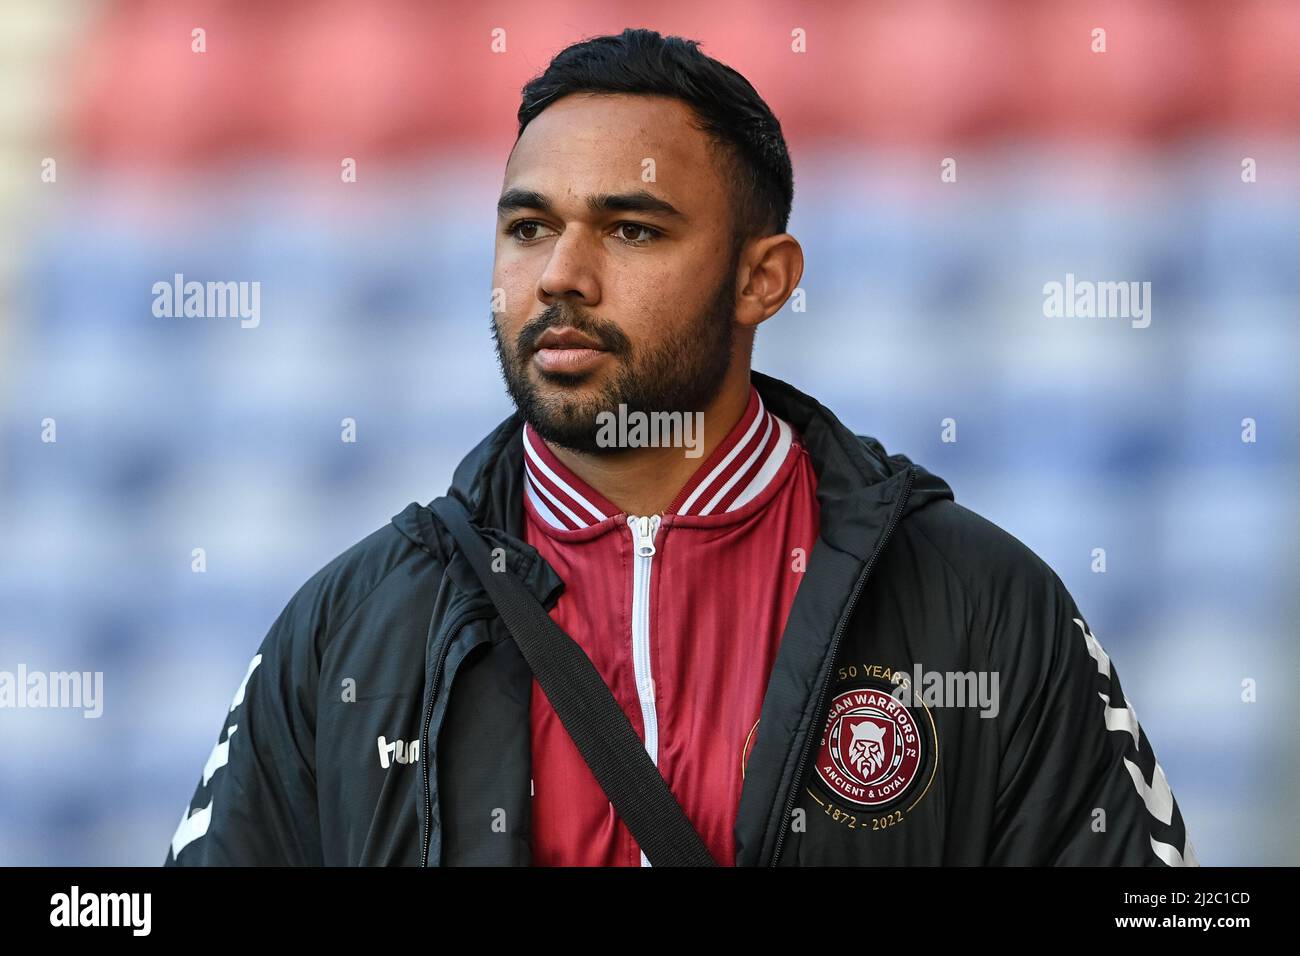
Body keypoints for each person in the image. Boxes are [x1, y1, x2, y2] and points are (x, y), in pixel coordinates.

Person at [165, 28, 1196, 867]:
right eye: (528, 228)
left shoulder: (982, 605)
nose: (561, 274)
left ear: (764, 278)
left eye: (632, 231)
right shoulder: (349, 626)